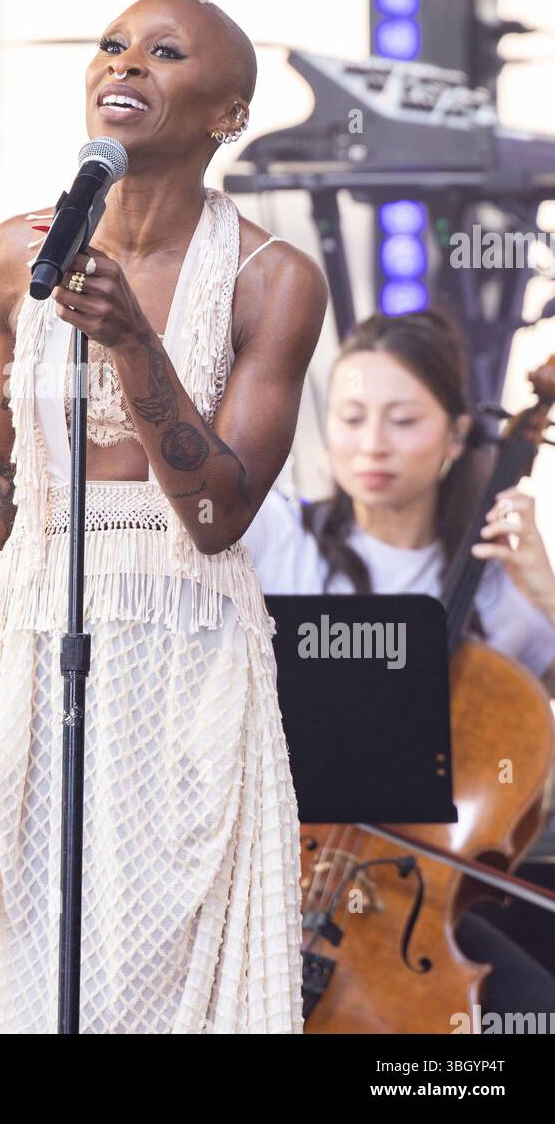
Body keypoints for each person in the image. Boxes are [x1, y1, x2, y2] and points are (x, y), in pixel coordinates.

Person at [0, 0, 329, 1033]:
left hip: (184, 656)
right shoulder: (14, 253)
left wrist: (132, 344)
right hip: (33, 640)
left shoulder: (275, 280)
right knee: (28, 981)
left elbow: (217, 514)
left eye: (165, 52)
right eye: (112, 44)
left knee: (165, 993)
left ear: (228, 114)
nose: (126, 62)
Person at [240, 306, 555, 1022]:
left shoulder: (503, 591)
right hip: (262, 884)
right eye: (351, 418)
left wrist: (548, 591)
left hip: (402, 915)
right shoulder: (281, 539)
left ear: (454, 438)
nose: (372, 445)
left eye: (403, 420)